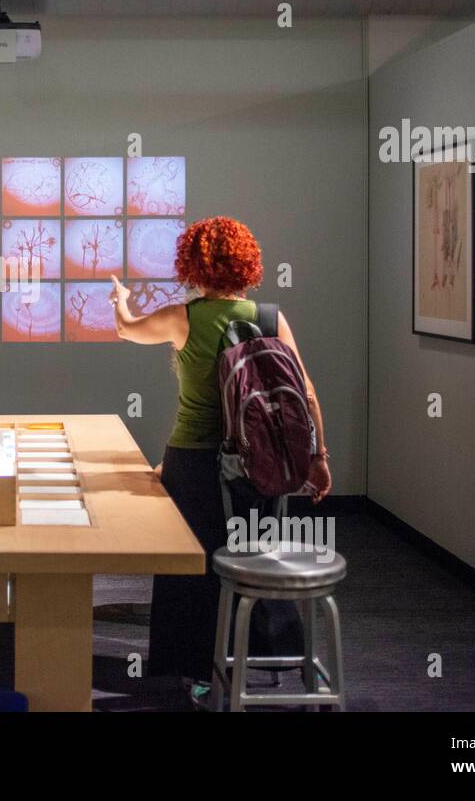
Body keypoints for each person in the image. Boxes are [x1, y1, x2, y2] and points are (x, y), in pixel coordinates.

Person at [108, 216, 332, 704]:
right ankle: (255, 655)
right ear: (246, 263)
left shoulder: (181, 318)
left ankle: (192, 671)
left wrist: (121, 302)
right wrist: (318, 457)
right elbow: (306, 392)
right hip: (257, 465)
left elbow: (126, 331)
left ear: (193, 265)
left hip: (192, 462)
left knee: (188, 565)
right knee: (251, 558)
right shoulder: (271, 316)